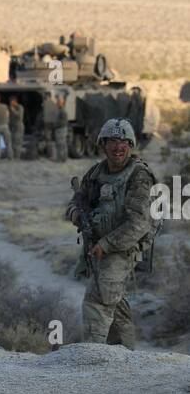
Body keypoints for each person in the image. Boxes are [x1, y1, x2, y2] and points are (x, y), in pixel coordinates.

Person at [65, 118, 155, 349]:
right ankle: (125, 357)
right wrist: (75, 212)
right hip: (95, 246)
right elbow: (77, 200)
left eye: (124, 141)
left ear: (132, 145)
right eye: (113, 141)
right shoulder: (96, 172)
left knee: (98, 300)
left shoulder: (139, 176)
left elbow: (139, 223)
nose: (119, 146)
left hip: (121, 249)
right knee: (114, 302)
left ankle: (92, 357)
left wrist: (106, 244)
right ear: (103, 144)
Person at [53, 95, 69, 163]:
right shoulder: (60, 110)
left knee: (60, 144)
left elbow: (63, 122)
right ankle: (63, 158)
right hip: (60, 129)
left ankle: (61, 159)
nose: (57, 103)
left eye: (58, 102)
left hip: (61, 130)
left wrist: (55, 125)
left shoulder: (62, 111)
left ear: (61, 103)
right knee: (62, 144)